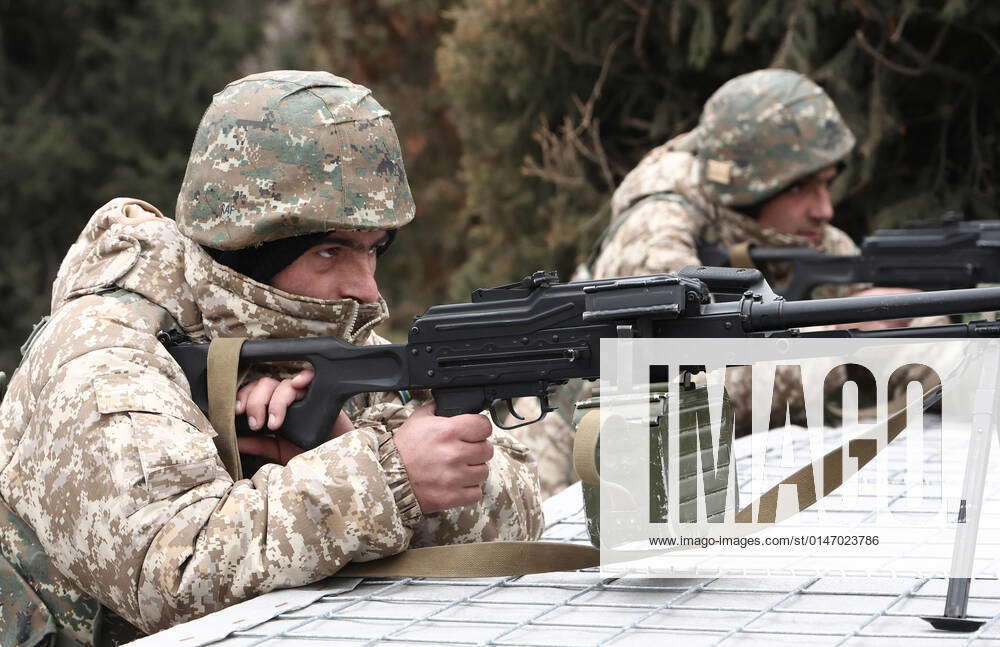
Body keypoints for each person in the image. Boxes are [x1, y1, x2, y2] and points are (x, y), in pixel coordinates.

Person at [0, 70, 542, 646]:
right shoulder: (106, 353)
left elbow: (521, 517)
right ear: (251, 253)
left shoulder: (315, 327)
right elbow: (170, 576)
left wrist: (341, 441)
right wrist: (383, 476)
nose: (365, 287)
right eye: (329, 252)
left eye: (373, 249)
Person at [514, 68, 939, 499]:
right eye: (800, 189)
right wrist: (834, 352)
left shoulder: (799, 236)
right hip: (577, 472)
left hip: (724, 475)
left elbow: (883, 328)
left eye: (826, 184)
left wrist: (924, 345)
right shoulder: (654, 233)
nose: (824, 209)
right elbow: (667, 392)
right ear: (748, 187)